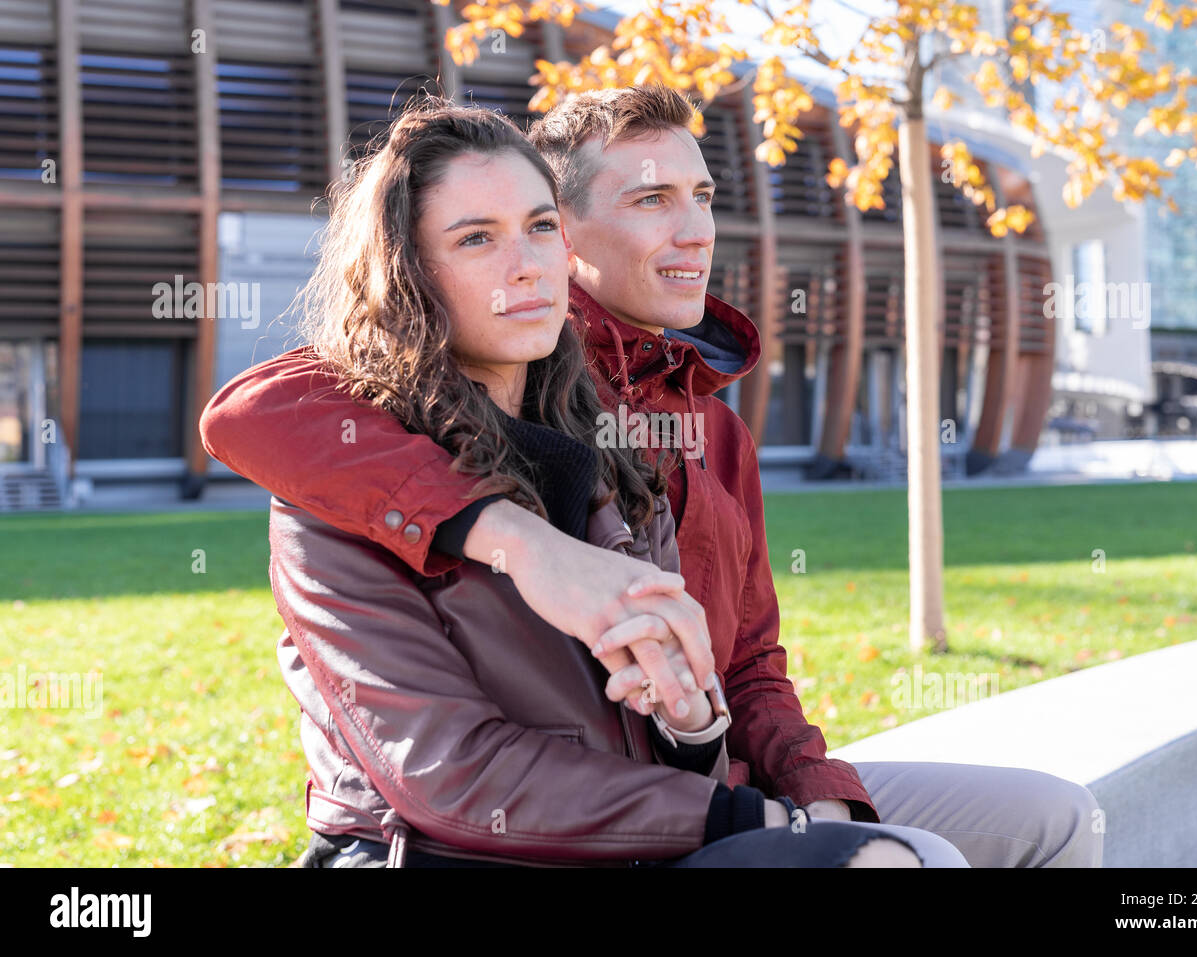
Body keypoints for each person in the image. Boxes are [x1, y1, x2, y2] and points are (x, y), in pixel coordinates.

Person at [202, 84, 1102, 867]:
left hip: (675, 798)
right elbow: (253, 410)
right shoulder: (372, 446)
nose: (696, 230)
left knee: (1052, 817)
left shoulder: (663, 433)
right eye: (653, 199)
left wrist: (795, 780)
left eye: (704, 195)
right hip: (485, 838)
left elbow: (744, 666)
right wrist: (516, 542)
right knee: (909, 857)